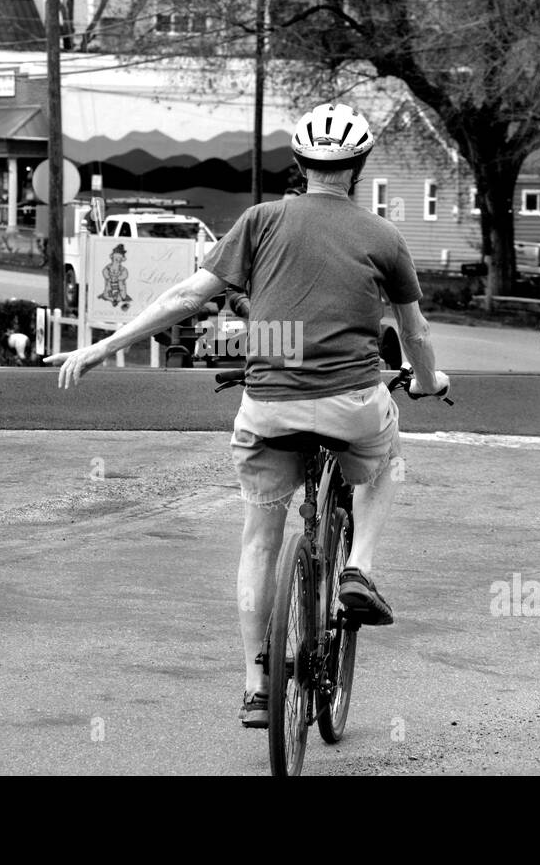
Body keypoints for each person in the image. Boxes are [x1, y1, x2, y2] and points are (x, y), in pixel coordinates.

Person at [47, 102, 449, 728]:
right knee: (383, 460)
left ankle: (256, 685)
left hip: (267, 407)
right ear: (360, 167)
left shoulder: (260, 221)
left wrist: (101, 348)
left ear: (299, 164)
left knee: (260, 536)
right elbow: (414, 332)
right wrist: (426, 382)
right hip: (350, 402)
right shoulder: (384, 237)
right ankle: (358, 569)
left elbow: (187, 295)